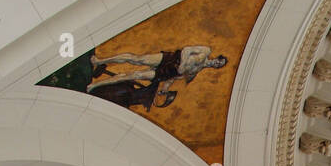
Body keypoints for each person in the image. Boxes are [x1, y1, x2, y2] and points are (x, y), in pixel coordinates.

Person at [87, 45, 228, 109]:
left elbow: (174, 78)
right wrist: (183, 64)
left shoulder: (194, 72)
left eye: (218, 66)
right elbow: (187, 50)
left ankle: (95, 85)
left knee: (132, 75)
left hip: (166, 73)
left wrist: (165, 88)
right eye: (218, 62)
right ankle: (100, 61)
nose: (215, 64)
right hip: (170, 59)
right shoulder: (205, 51)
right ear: (217, 58)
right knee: (137, 59)